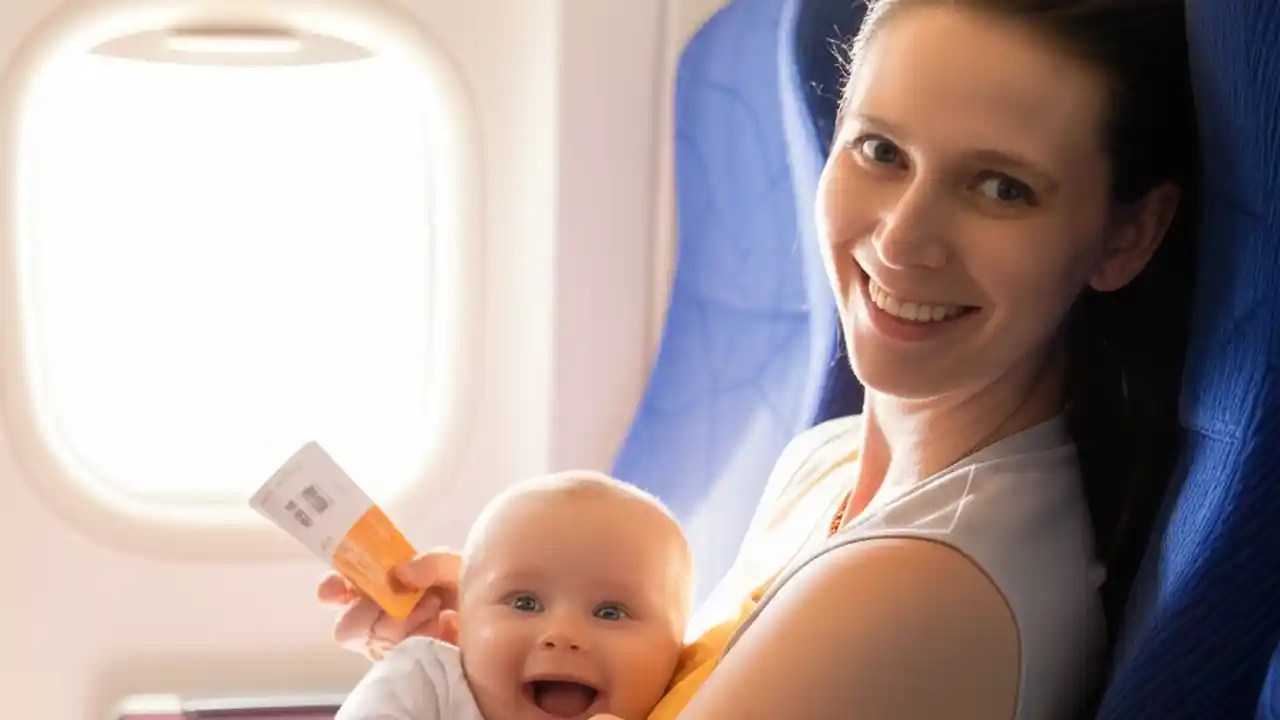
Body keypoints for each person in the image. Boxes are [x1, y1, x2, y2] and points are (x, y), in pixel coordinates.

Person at [319, 0, 1200, 717]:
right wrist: (482, 664)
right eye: (881, 151)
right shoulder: (825, 466)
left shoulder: (918, 585)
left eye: (1001, 187)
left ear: (1127, 235)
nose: (901, 241)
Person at [334, 471, 693, 720]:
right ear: (458, 632)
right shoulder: (426, 679)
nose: (562, 634)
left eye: (611, 612)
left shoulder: (693, 704)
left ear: (677, 656)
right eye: (525, 603)